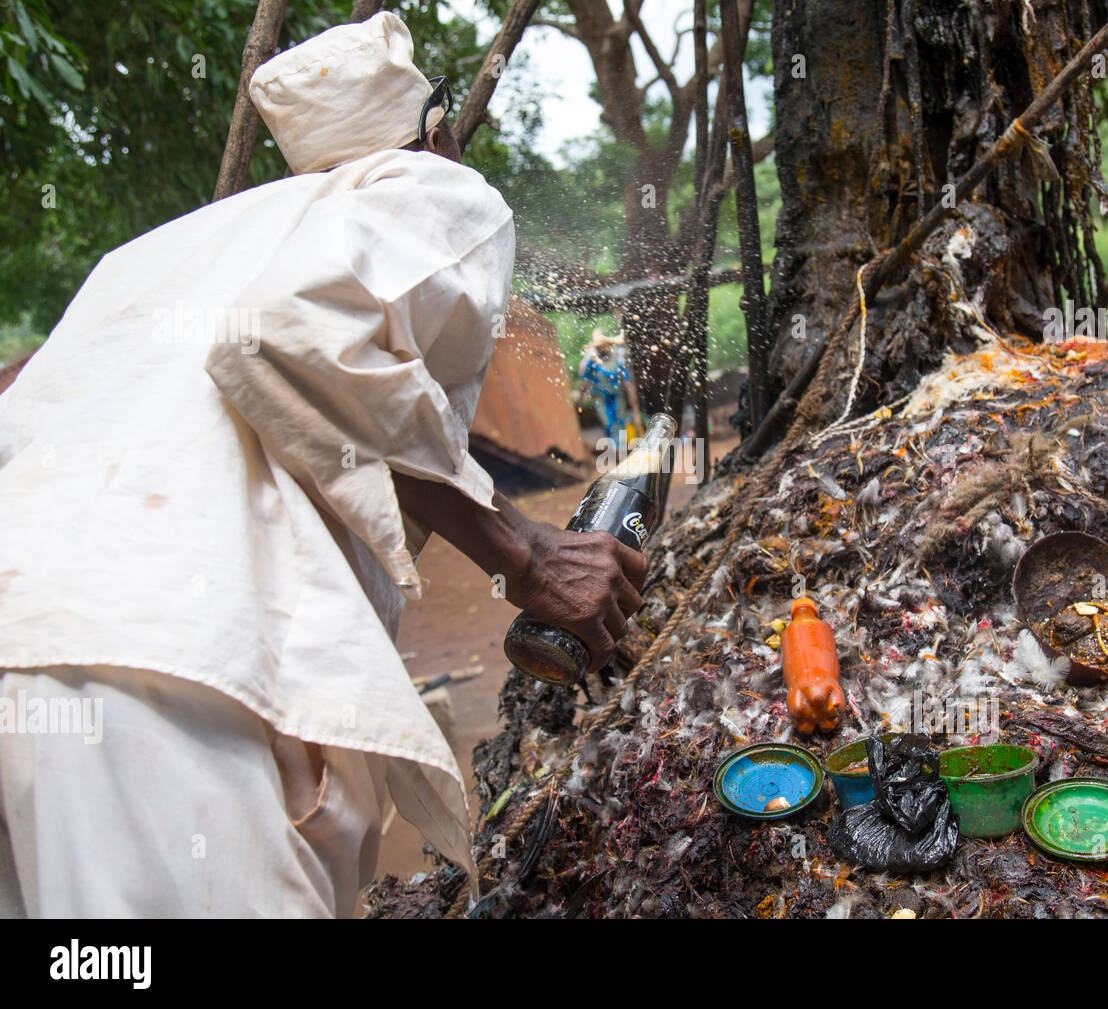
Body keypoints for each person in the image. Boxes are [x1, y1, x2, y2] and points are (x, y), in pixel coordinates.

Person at [0, 12, 645, 917]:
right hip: (157, 675)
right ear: (437, 133)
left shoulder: (157, 255)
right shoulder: (428, 188)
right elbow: (277, 334)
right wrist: (526, 556)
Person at [579, 328, 641, 440]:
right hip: (601, 398)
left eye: (604, 345)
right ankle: (614, 447)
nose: (602, 348)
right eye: (599, 346)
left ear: (609, 346)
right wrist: (581, 397)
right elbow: (586, 381)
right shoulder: (592, 363)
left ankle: (621, 447)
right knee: (608, 423)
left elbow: (626, 379)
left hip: (617, 396)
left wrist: (631, 395)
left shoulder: (617, 361)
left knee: (621, 422)